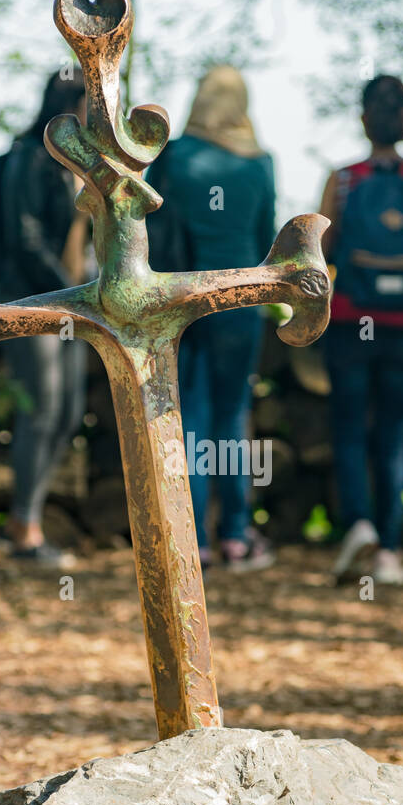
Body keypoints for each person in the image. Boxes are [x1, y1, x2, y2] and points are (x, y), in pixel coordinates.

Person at [320, 74, 403, 586]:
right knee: (393, 436)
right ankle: (390, 554)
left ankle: (358, 525)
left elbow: (322, 253)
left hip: (354, 319)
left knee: (351, 430)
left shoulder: (343, 180)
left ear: (362, 119)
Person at [148, 66, 276, 570]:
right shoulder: (261, 162)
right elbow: (267, 233)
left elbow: (150, 221)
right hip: (243, 301)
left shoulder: (175, 156)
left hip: (184, 298)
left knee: (193, 419)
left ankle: (195, 537)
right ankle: (237, 536)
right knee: (232, 414)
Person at [0, 70, 90, 565]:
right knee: (42, 409)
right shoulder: (29, 156)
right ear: (71, 106)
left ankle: (24, 520)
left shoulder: (86, 164)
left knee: (69, 413)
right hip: (30, 300)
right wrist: (68, 290)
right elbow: (23, 236)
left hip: (73, 303)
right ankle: (24, 531)